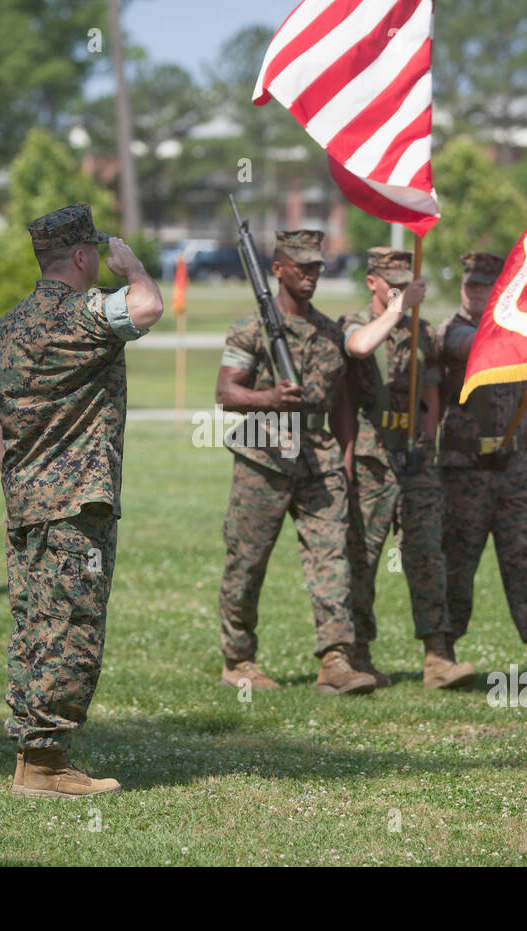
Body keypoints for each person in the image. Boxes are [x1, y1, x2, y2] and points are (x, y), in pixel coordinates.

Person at [0, 202, 163, 798]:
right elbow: (148, 306)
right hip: (78, 506)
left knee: (35, 622)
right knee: (72, 625)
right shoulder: (85, 314)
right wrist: (132, 266)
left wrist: (17, 470)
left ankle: (34, 754)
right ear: (83, 257)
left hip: (27, 502)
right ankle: (46, 765)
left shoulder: (8, 325)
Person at [215, 229, 374, 696]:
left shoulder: (331, 332)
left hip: (319, 458)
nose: (311, 275)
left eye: (317, 267)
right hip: (263, 458)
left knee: (332, 557)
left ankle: (335, 659)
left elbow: (342, 401)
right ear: (278, 268)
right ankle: (238, 659)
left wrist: (345, 456)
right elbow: (225, 392)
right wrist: (269, 397)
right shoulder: (251, 329)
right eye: (301, 267)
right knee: (247, 561)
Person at [438, 252, 527, 676]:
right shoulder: (453, 331)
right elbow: (478, 347)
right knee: (459, 564)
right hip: (464, 471)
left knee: (523, 555)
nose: (476, 293)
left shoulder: (520, 336)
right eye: (471, 285)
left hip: (514, 471)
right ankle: (443, 653)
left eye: (485, 286)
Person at [340, 247, 473, 690]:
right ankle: (357, 656)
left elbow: (432, 393)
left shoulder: (424, 333)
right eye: (390, 282)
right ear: (372, 282)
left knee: (427, 556)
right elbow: (360, 348)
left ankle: (438, 657)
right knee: (363, 559)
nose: (398, 288)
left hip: (416, 458)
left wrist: (428, 439)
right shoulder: (356, 323)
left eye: (405, 281)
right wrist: (399, 308)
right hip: (372, 460)